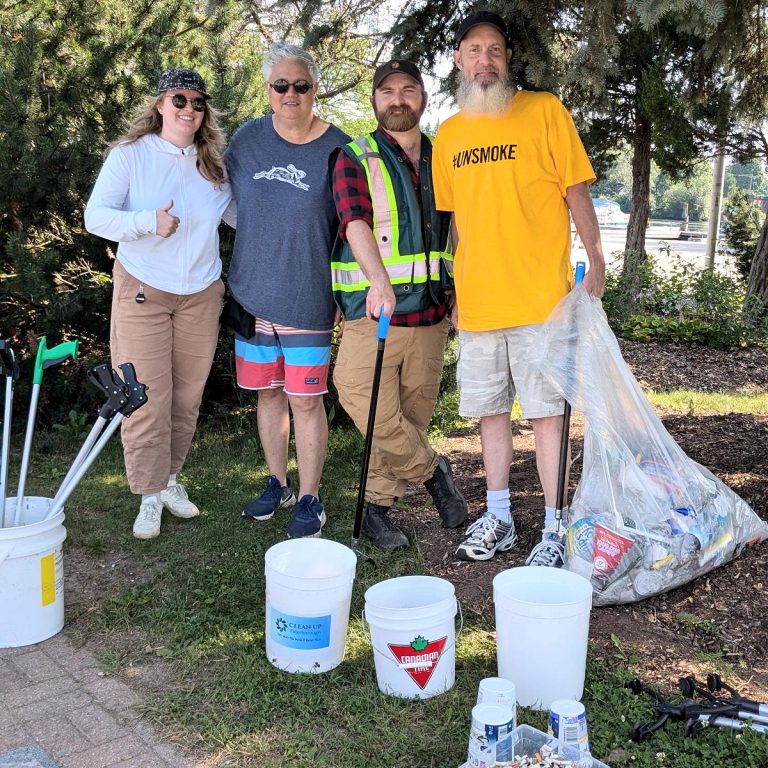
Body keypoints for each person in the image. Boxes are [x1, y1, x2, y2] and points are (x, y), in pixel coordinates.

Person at [432, 11, 606, 566]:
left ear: (507, 60)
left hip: (541, 304)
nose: (485, 60)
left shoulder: (544, 111)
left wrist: (597, 261)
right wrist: (456, 291)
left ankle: (555, 527)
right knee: (490, 416)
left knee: (547, 416)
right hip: (480, 306)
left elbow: (577, 191)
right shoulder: (450, 135)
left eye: (495, 50)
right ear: (459, 60)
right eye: (474, 50)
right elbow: (457, 221)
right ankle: (501, 518)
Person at [85, 67, 234, 539]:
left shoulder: (213, 163)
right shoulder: (130, 156)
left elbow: (240, 216)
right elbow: (95, 216)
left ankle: (170, 479)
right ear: (159, 105)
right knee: (144, 395)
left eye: (196, 102)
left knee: (187, 397)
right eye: (179, 100)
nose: (189, 109)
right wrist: (147, 221)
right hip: (144, 288)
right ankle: (149, 494)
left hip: (201, 294)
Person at [330, 60, 468, 551]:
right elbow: (353, 222)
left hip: (430, 315)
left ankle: (375, 511)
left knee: (410, 415)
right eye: (387, 91)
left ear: (424, 98)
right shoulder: (354, 156)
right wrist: (378, 280)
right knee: (359, 395)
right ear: (374, 101)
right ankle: (433, 473)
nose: (398, 99)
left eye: (408, 90)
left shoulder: (445, 155)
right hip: (377, 312)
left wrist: (456, 290)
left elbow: (457, 228)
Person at [226, 42, 350, 538]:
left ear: (314, 88)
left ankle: (310, 497)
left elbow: (351, 227)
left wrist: (344, 296)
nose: (291, 94)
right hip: (252, 294)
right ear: (268, 90)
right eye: (281, 85)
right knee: (269, 395)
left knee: (305, 401)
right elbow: (224, 200)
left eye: (301, 85)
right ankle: (276, 484)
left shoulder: (338, 148)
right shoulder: (246, 141)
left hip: (309, 298)